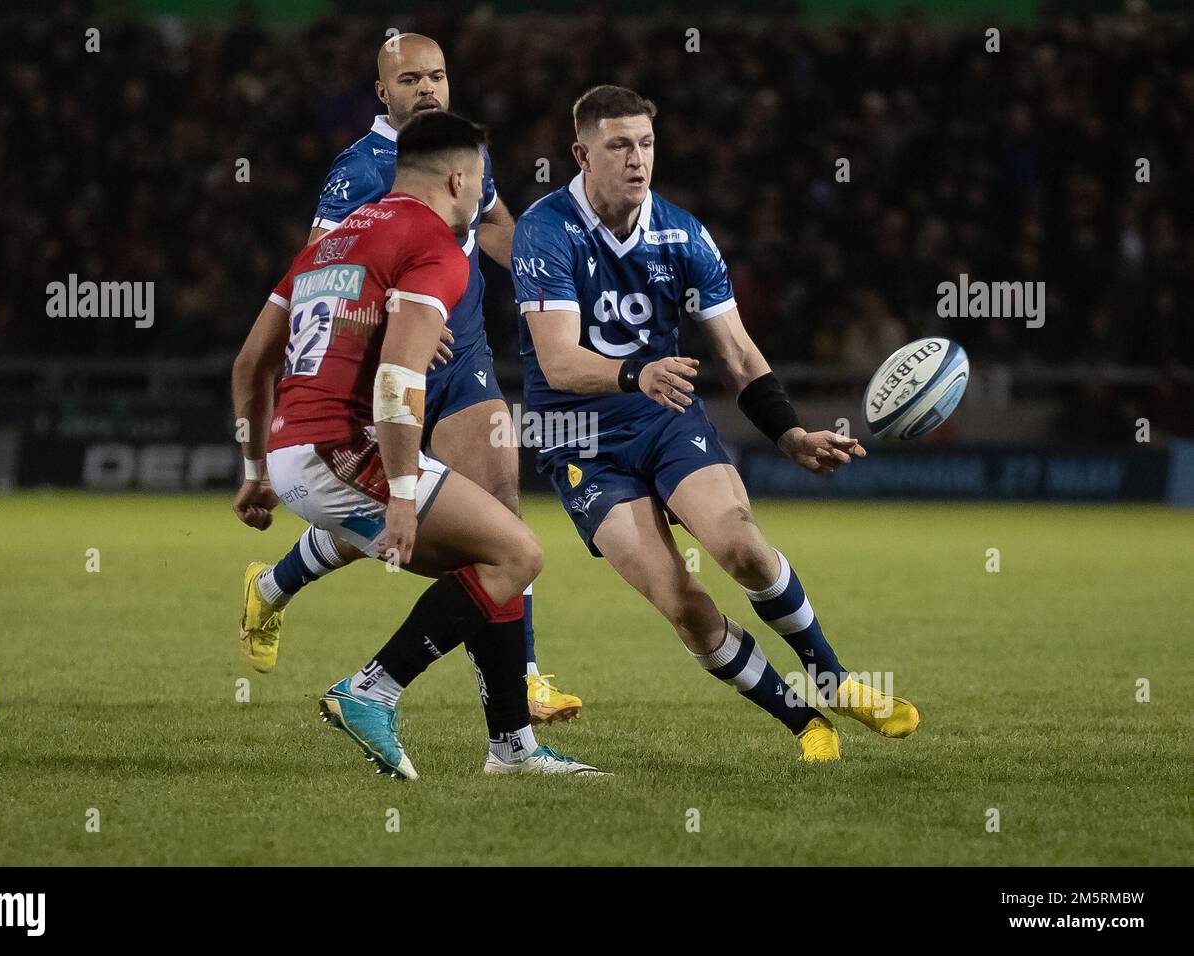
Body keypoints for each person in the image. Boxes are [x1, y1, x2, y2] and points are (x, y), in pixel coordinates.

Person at [510, 86, 920, 761]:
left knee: (743, 547)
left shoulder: (682, 233)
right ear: (582, 154)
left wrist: (789, 433)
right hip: (580, 440)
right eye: (619, 145)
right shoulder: (546, 230)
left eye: (646, 143)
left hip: (665, 420)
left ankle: (836, 680)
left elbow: (736, 352)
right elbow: (556, 362)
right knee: (682, 602)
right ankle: (803, 723)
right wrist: (634, 372)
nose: (637, 159)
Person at [230, 110, 601, 778]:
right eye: (482, 180)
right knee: (518, 551)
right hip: (339, 447)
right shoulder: (430, 243)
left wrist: (257, 469)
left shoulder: (335, 241)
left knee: (487, 560)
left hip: (294, 449)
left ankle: (512, 751)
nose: (484, 197)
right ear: (459, 177)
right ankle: (370, 690)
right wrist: (403, 493)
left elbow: (251, 362)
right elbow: (401, 379)